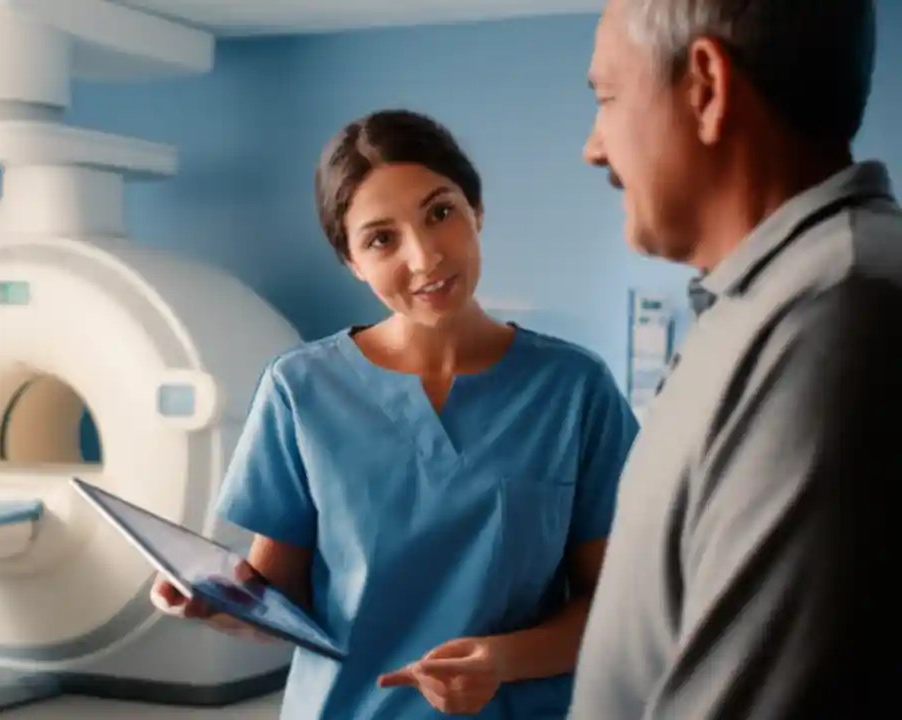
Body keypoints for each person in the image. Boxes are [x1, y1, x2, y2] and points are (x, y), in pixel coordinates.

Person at [151, 109, 639, 718]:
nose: (425, 257)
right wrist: (214, 605)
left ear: (476, 210)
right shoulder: (300, 390)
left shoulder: (573, 390)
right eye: (382, 239)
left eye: (440, 213)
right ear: (352, 260)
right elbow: (280, 605)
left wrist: (503, 660)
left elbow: (620, 605)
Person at [572, 1, 902, 718]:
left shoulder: (832, 319)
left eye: (607, 98)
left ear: (706, 88)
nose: (593, 148)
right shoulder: (763, 304)